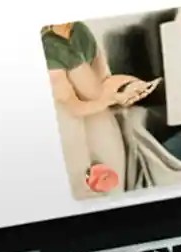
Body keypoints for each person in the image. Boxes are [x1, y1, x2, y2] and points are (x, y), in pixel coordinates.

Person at [42, 22, 156, 196]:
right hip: (70, 128)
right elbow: (72, 107)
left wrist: (130, 85)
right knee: (84, 192)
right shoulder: (47, 45)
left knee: (116, 186)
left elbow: (104, 82)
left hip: (100, 120)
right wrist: (112, 99)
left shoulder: (80, 30)